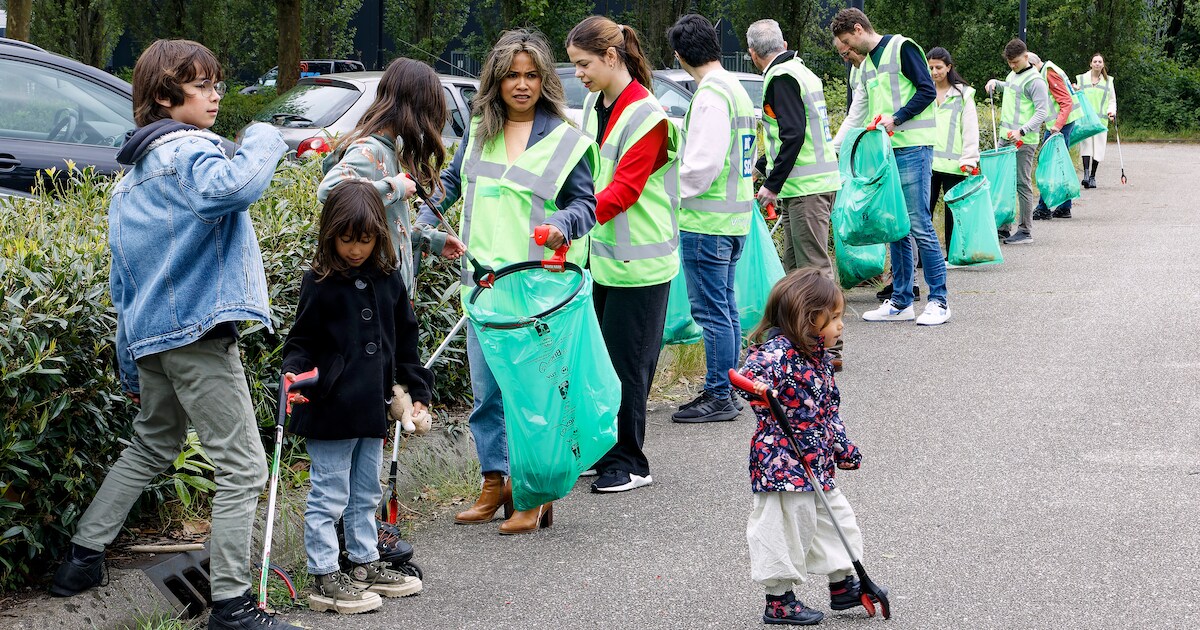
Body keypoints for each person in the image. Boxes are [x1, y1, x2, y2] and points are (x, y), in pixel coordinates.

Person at [48, 39, 298, 630]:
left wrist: (130, 362)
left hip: (153, 336)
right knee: (243, 467)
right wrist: (265, 136)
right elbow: (236, 188)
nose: (216, 95)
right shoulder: (188, 150)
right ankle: (233, 606)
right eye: (202, 85)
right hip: (198, 333)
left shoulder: (130, 177)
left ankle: (81, 557)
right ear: (164, 95)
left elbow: (122, 283)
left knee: (152, 443)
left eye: (216, 83)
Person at [419, 28, 597, 530]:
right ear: (495, 81)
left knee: (533, 395)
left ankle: (533, 488)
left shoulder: (566, 139)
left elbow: (586, 205)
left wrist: (562, 226)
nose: (522, 85)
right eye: (512, 76)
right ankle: (493, 483)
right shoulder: (479, 130)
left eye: (532, 75)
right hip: (484, 287)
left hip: (538, 292)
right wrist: (427, 220)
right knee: (487, 394)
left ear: (544, 80)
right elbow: (453, 183)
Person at [282, 180, 430, 614]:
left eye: (364, 241)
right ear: (331, 235)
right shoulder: (320, 283)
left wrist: (417, 387)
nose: (355, 250)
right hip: (328, 409)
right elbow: (301, 340)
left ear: (378, 238)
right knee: (329, 494)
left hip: (371, 410)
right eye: (346, 240)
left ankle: (364, 562)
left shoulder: (387, 281)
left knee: (367, 492)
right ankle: (324, 575)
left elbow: (406, 340)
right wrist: (295, 373)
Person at [567, 16, 679, 494]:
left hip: (642, 264)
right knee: (603, 363)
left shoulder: (646, 115)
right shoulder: (597, 103)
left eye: (584, 64)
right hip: (605, 258)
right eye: (574, 65)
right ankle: (608, 450)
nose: (579, 75)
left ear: (611, 57)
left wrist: (570, 219)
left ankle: (631, 461)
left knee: (629, 366)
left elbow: (625, 190)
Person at [736, 268, 882, 626]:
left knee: (837, 521)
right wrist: (759, 389)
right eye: (832, 318)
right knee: (784, 528)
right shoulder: (778, 353)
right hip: (781, 463)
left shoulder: (818, 359)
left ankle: (843, 584)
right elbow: (747, 376)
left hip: (815, 462)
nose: (840, 324)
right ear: (807, 318)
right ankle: (779, 599)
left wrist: (842, 446)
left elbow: (829, 410)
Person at [831, 8, 951, 326]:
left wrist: (896, 118)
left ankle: (939, 300)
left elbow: (927, 90)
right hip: (887, 151)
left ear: (858, 29)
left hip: (913, 147)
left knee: (917, 222)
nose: (847, 50)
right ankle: (901, 301)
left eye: (846, 41)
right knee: (895, 225)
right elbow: (864, 110)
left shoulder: (902, 47)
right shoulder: (867, 64)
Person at [666, 14, 756, 422]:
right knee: (726, 308)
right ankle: (728, 387)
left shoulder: (709, 95)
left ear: (680, 55)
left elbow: (701, 167)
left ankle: (719, 393)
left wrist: (665, 193)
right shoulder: (734, 87)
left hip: (706, 224)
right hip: (733, 220)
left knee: (712, 312)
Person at [318, 57, 465, 294]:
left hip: (387, 299)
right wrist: (394, 187)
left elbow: (384, 225)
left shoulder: (388, 150)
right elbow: (330, 190)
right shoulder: (370, 150)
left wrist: (430, 239)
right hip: (373, 301)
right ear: (416, 108)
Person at [985, 39, 1050, 244]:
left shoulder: (1036, 81)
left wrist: (1022, 131)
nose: (1012, 66)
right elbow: (1013, 89)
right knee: (1004, 182)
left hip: (1024, 140)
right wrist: (997, 83)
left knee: (1022, 183)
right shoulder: (1013, 74)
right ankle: (1004, 227)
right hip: (1006, 137)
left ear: (1026, 56)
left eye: (1015, 62)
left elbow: (1042, 112)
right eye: (1009, 63)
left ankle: (1025, 230)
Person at [927, 47, 979, 257]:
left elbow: (970, 128)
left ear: (948, 67)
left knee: (952, 213)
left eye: (938, 67)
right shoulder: (924, 91)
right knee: (923, 213)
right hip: (927, 162)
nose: (934, 72)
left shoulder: (963, 94)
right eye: (930, 68)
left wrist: (969, 158)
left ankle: (953, 254)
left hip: (955, 164)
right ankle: (922, 257)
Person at [1029, 52, 1082, 220]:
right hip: (1061, 124)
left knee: (1048, 164)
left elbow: (1066, 101)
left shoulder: (1048, 72)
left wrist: (1056, 127)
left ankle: (1044, 208)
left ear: (1032, 65)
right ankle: (1064, 207)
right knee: (1059, 165)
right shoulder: (1049, 69)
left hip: (1060, 125)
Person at [1076, 53, 1117, 189]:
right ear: (1091, 64)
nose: (1097, 64)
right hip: (1086, 119)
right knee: (1086, 146)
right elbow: (1075, 96)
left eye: (1100, 61)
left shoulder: (1108, 81)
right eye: (1095, 61)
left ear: (1103, 65)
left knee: (1098, 149)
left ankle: (1093, 176)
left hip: (1100, 120)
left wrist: (1112, 112)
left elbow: (1112, 100)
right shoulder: (1081, 79)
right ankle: (1086, 175)